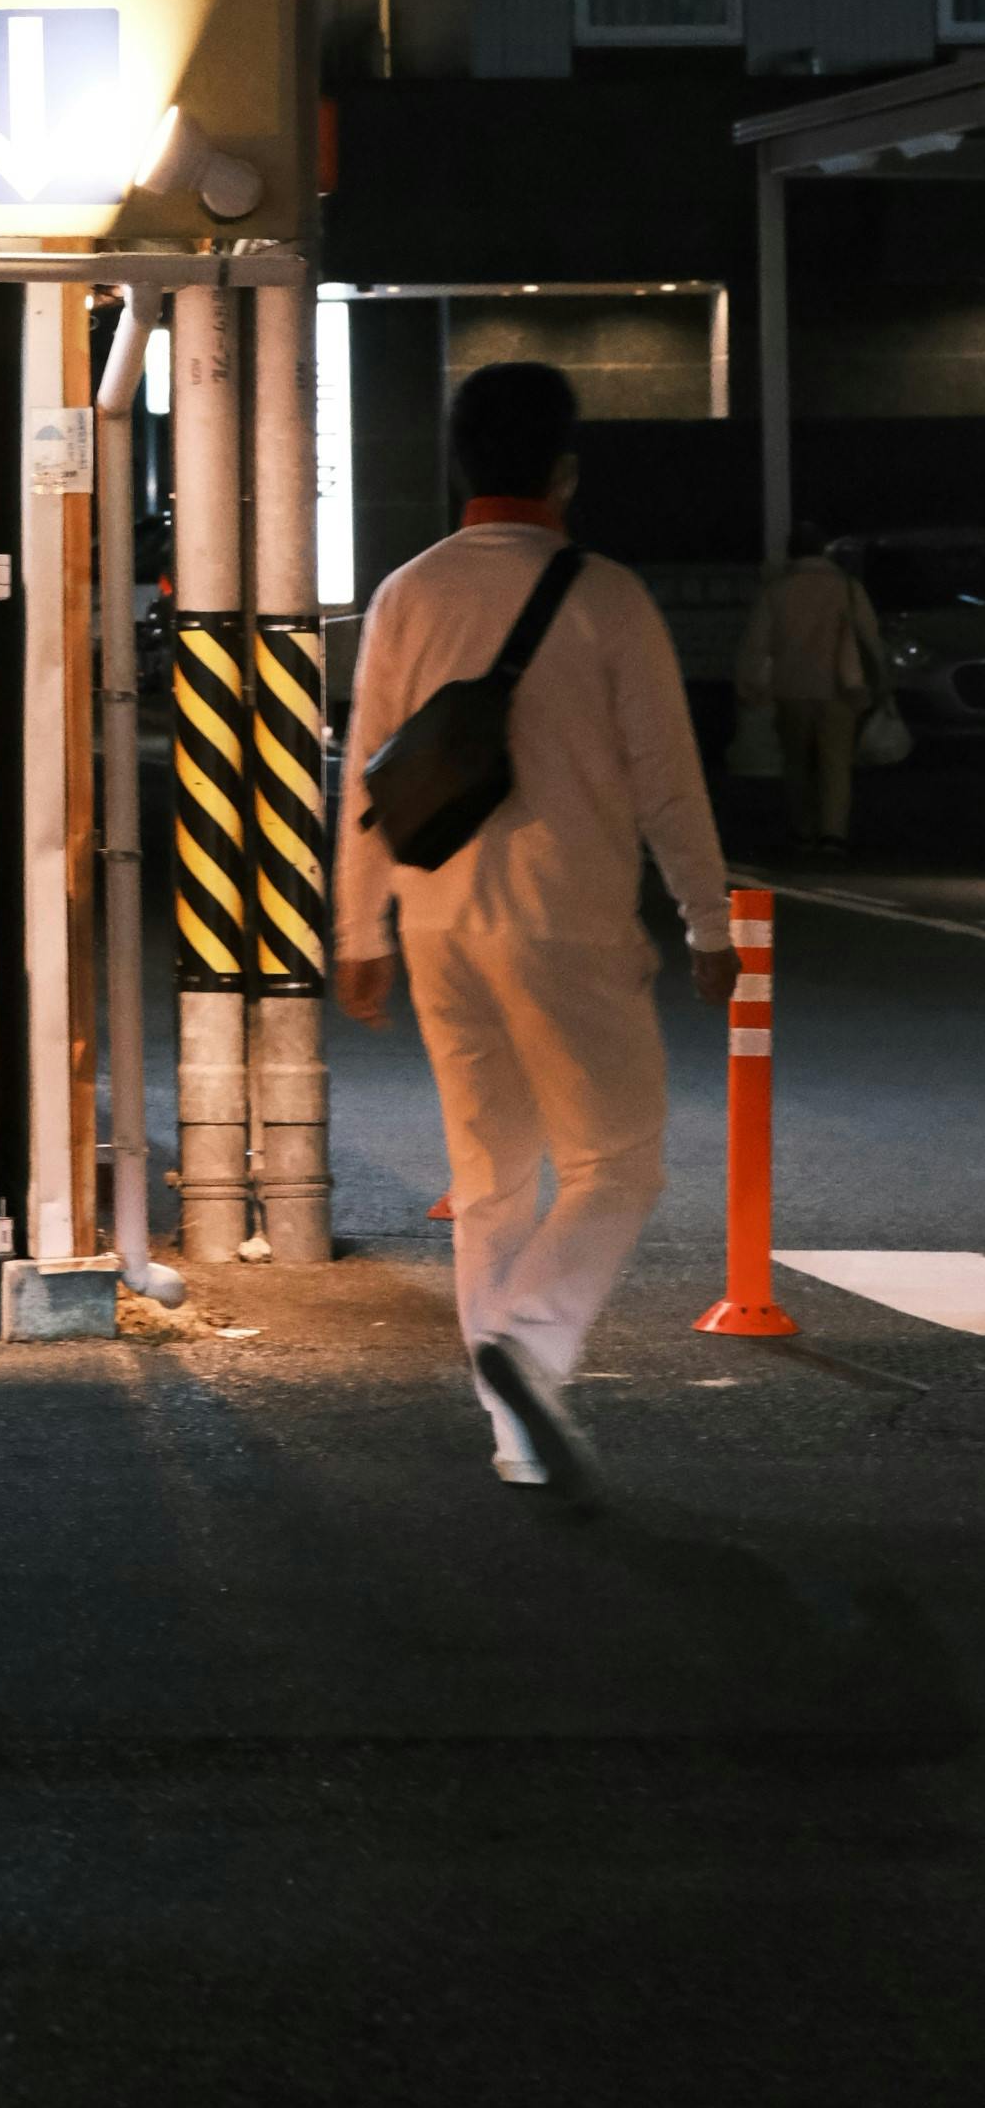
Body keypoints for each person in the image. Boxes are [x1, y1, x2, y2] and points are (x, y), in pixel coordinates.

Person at [335, 360, 738, 1500]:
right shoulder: (606, 594)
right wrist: (710, 918)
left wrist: (359, 926)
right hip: (566, 919)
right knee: (619, 1162)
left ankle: (515, 1424)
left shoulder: (407, 591)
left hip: (438, 919)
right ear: (565, 470)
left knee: (492, 1175)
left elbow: (367, 772)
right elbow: (667, 778)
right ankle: (532, 1341)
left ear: (461, 466)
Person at [736, 528, 887, 856]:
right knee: (836, 764)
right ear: (823, 551)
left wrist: (750, 685)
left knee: (797, 763)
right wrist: (881, 683)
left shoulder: (777, 591)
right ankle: (834, 833)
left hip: (791, 687)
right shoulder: (847, 588)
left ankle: (802, 831)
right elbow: (870, 639)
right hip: (842, 688)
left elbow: (756, 645)